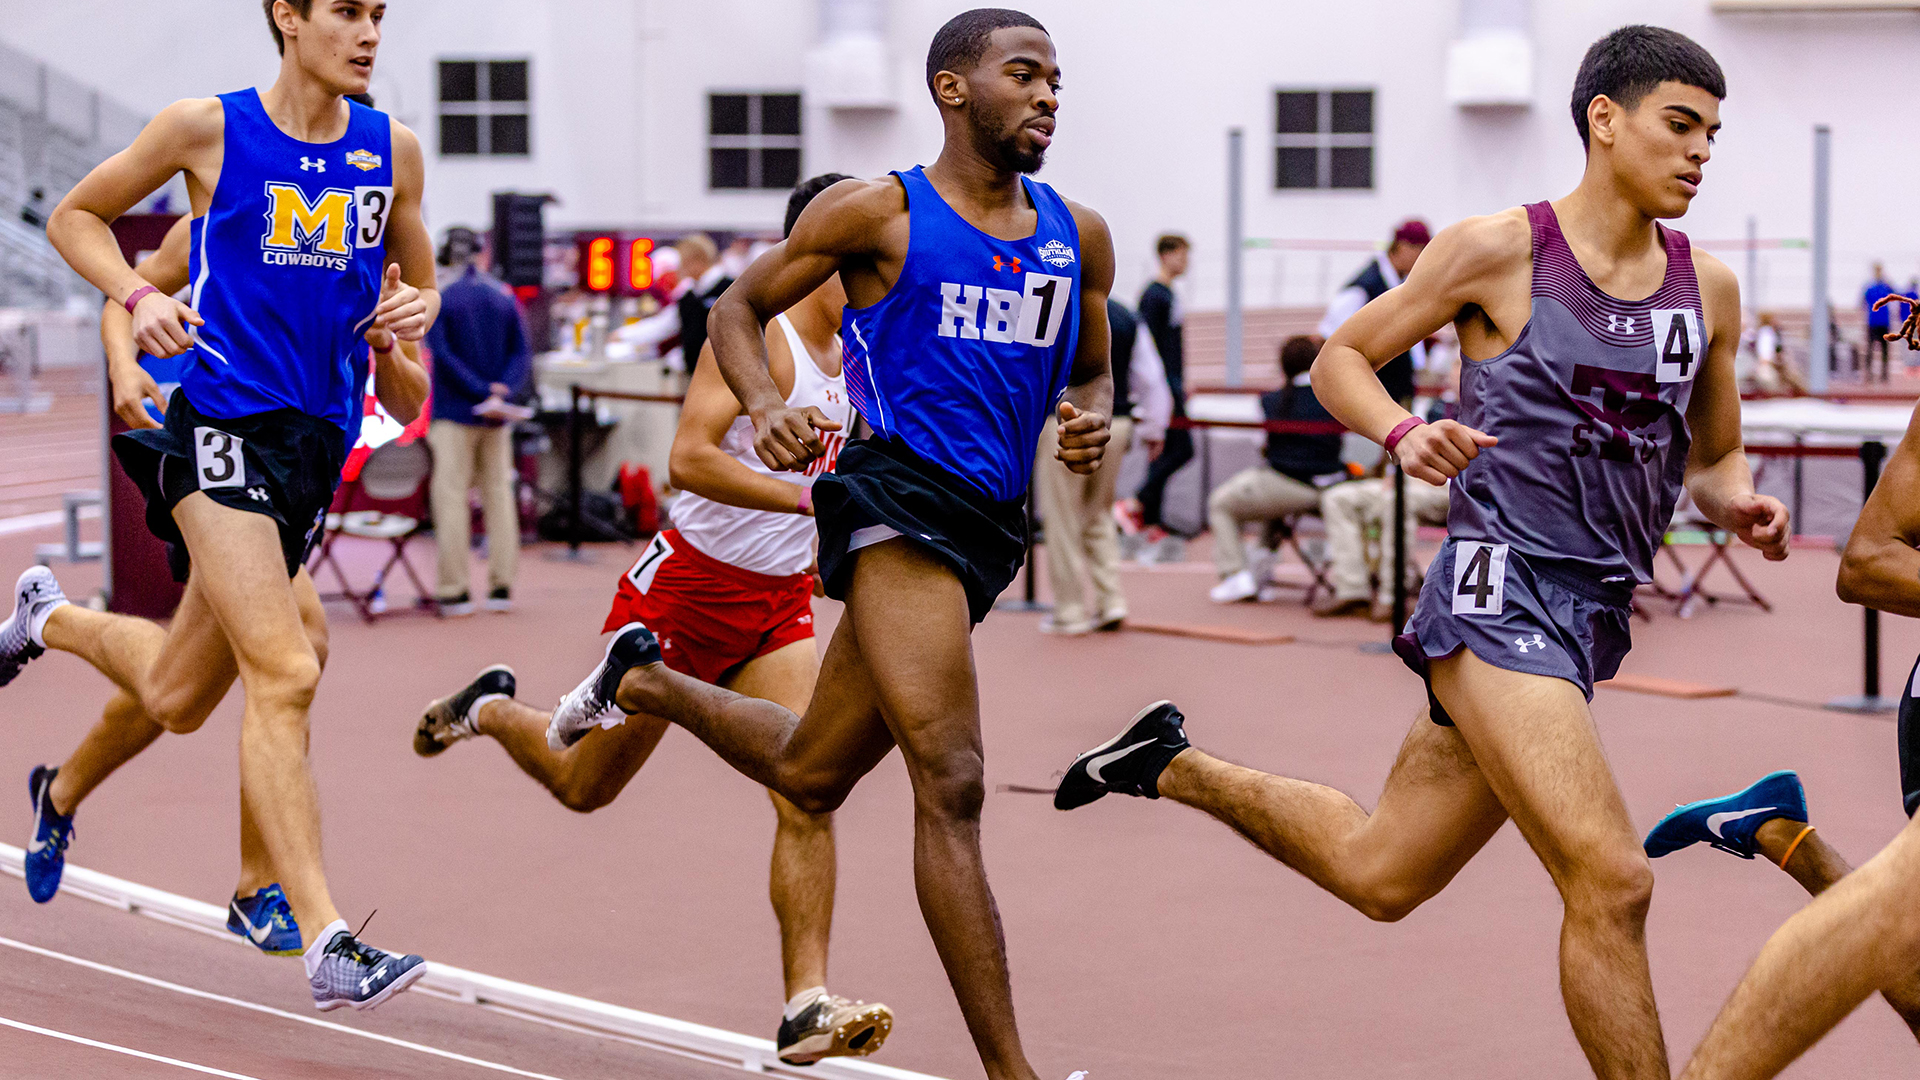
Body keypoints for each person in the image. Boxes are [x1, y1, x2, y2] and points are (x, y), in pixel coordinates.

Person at [1056, 26, 1791, 1079]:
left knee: (1381, 873)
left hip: (1590, 616)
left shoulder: (1706, 291)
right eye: (1681, 125)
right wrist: (1402, 433)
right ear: (1605, 120)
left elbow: (1715, 462)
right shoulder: (1497, 250)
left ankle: (1168, 764)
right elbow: (1344, 360)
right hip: (1500, 592)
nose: (1700, 152)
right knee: (1614, 879)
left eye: (1713, 134)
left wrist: (1741, 505)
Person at [533, 12, 1110, 1079]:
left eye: (1056, 81)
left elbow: (1090, 362)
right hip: (895, 509)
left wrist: (1088, 413)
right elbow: (733, 310)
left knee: (809, 772)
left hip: (986, 530)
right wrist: (762, 403)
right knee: (954, 779)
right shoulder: (880, 214)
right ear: (952, 89)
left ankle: (648, 682)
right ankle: (1012, 1074)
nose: (1047, 97)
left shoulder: (1080, 233)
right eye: (1022, 75)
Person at [1, 0, 437, 1011]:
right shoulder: (211, 130)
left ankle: (47, 619)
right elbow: (78, 217)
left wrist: (412, 322)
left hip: (309, 457)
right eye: (346, 12)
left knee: (179, 700)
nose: (369, 32)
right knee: (289, 666)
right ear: (288, 17)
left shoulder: (394, 153)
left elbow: (418, 338)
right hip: (220, 433)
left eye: (380, 14)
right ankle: (319, 931)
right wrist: (136, 308)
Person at [415, 174, 895, 1067]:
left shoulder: (872, 347)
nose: (880, 276)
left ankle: (806, 1003)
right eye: (862, 259)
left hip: (778, 603)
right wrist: (812, 498)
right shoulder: (760, 336)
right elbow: (688, 460)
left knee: (807, 785)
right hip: (682, 594)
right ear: (815, 255)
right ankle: (490, 709)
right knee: (584, 788)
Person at [1035, 296, 1168, 633]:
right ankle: (1112, 601)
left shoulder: (1056, 301)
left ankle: (1070, 610)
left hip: (1063, 417)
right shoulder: (1125, 315)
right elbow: (1150, 376)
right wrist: (1155, 426)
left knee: (1062, 516)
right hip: (1116, 419)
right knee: (1099, 513)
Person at [425, 225, 532, 615]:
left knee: (451, 497)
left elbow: (441, 353)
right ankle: (502, 586)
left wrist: (475, 390)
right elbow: (522, 351)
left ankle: (454, 589)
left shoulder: (443, 297)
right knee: (499, 497)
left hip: (454, 412)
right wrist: (501, 389)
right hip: (497, 415)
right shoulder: (503, 297)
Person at [1207, 335, 1344, 603]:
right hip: (1334, 486)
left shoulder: (1272, 401)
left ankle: (1234, 575)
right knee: (1272, 508)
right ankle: (1259, 576)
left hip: (1291, 483)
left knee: (1220, 503)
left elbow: (1262, 446)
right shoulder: (1335, 395)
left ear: (1284, 366)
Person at [1121, 234, 1191, 558]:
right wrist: (1161, 390)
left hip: (1174, 385)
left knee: (1166, 452)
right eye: (1181, 254)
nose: (1186, 261)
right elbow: (1149, 348)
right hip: (1165, 387)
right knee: (1179, 449)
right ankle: (1136, 503)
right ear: (1165, 255)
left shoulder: (1169, 293)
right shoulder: (1153, 296)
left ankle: (1151, 518)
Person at [1319, 220, 1432, 404]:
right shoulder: (1366, 286)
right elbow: (1328, 336)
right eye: (1421, 251)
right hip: (1374, 393)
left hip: (1395, 388)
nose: (1423, 259)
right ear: (1403, 247)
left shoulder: (1398, 282)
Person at [1864, 263, 1895, 383]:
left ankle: (1884, 375)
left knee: (1885, 350)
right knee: (1870, 349)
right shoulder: (1869, 287)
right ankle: (1869, 374)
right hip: (1872, 322)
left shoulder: (1885, 286)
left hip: (1884, 323)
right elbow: (1864, 302)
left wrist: (1887, 279)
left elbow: (1895, 293)